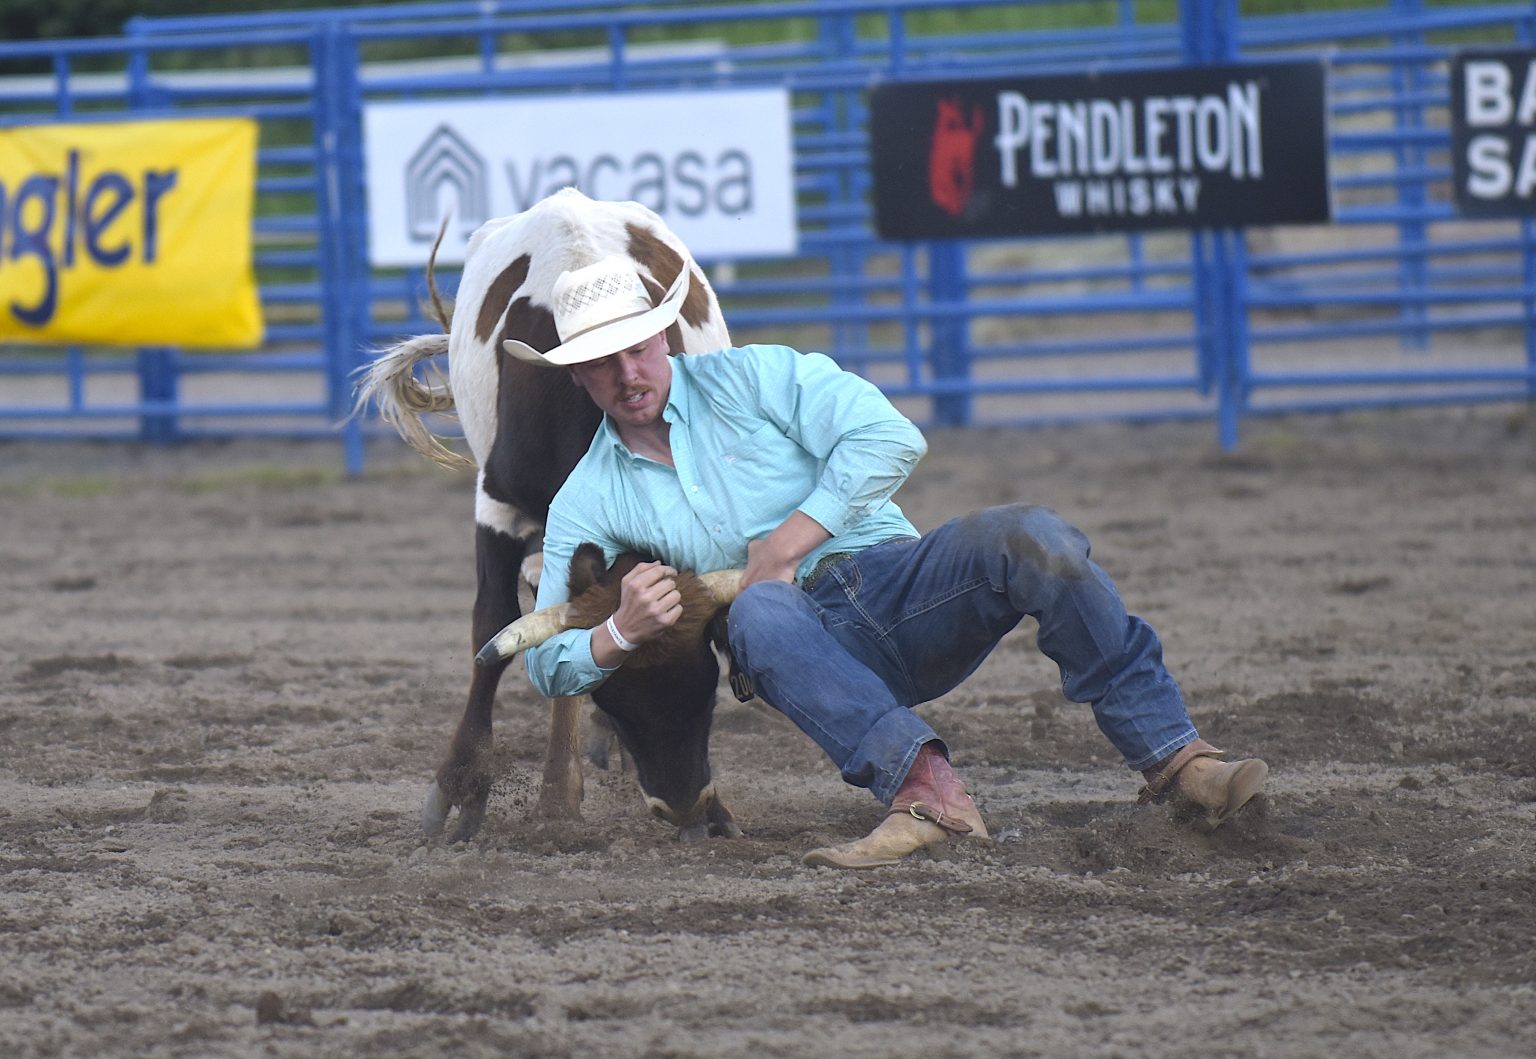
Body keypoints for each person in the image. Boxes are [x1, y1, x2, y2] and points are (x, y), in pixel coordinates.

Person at [514, 253, 1268, 869]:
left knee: (1032, 534)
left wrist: (784, 544)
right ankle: (928, 799)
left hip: (902, 585)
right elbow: (546, 664)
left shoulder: (755, 377)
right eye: (601, 363)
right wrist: (619, 629)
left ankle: (1177, 761)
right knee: (760, 611)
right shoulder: (588, 496)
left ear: (667, 337)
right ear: (576, 375)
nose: (628, 374)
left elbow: (890, 436)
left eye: (638, 349)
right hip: (801, 639)